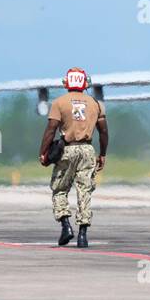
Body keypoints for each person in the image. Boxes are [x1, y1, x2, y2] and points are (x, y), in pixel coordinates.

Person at [38, 67, 108, 248]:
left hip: (67, 150)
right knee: (84, 191)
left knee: (59, 189)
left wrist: (43, 152)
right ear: (85, 83)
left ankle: (66, 226)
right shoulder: (95, 103)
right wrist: (103, 154)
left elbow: (51, 129)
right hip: (87, 151)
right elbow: (104, 132)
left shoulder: (59, 103)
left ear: (67, 83)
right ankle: (83, 235)